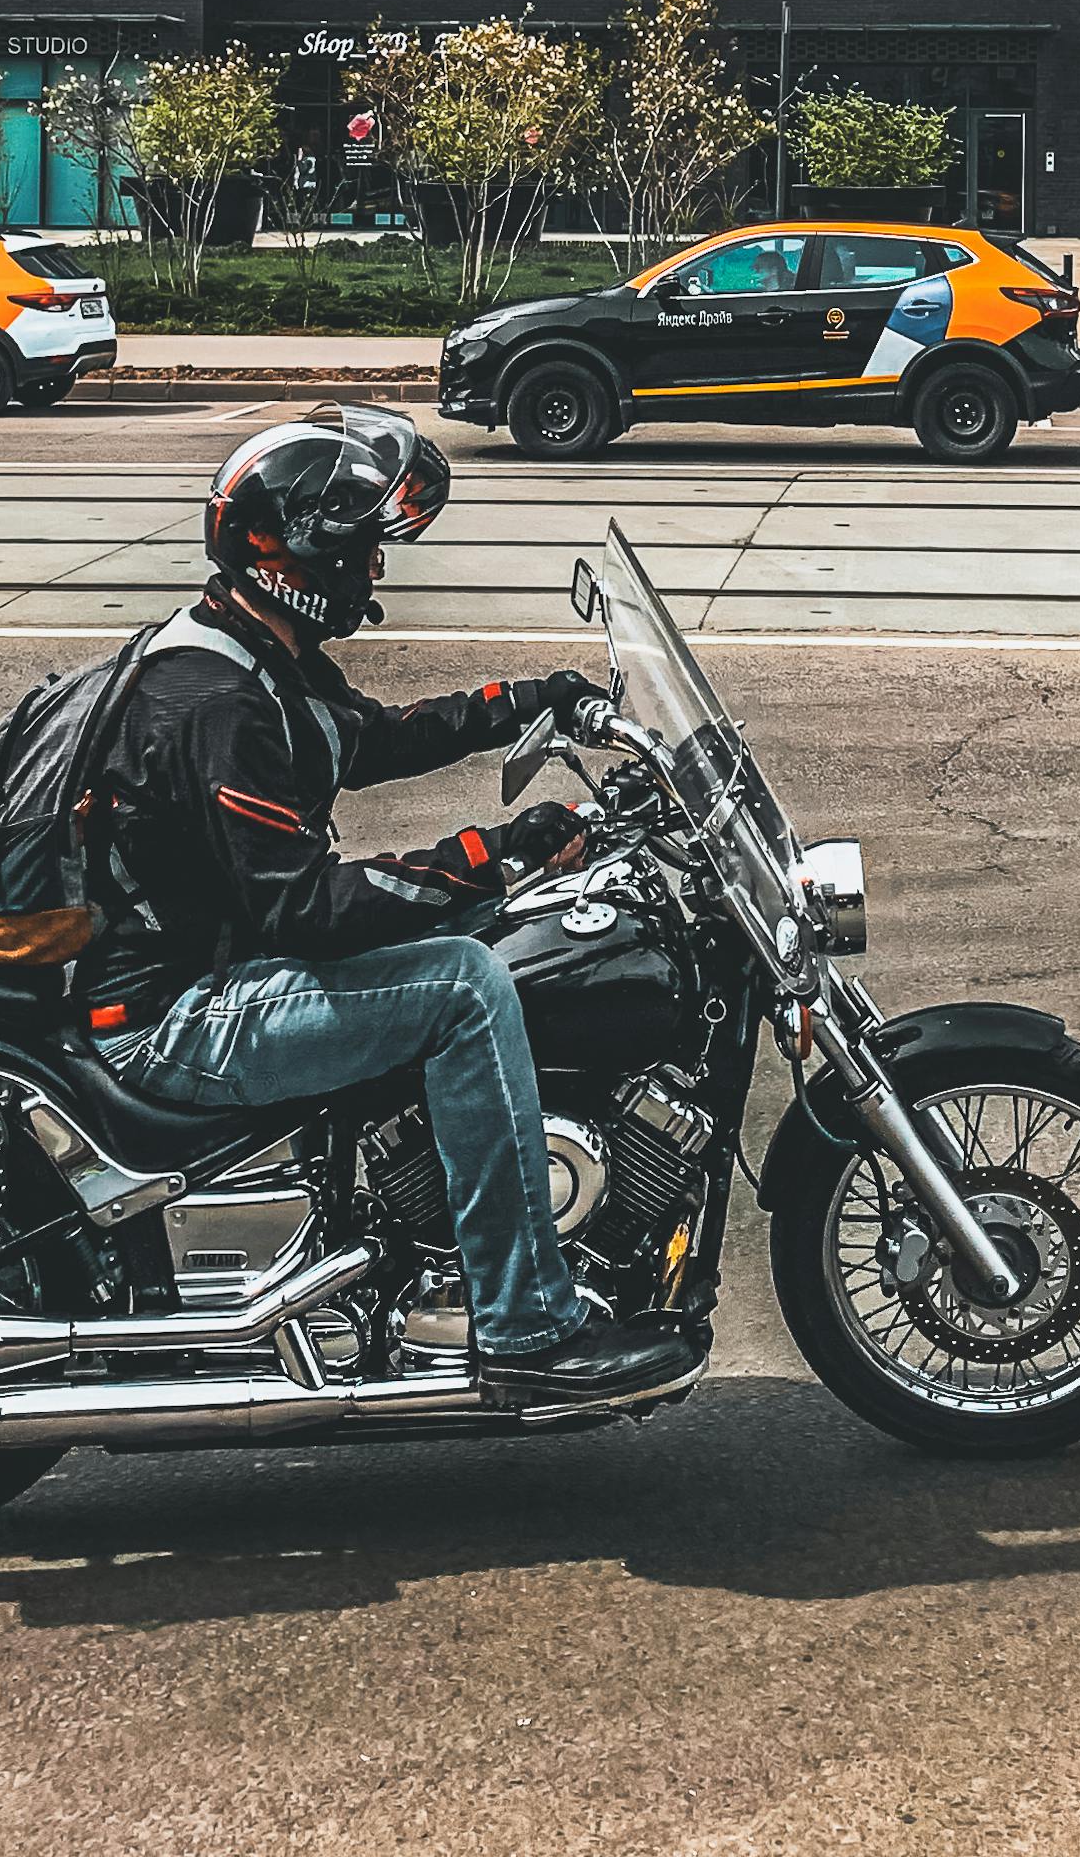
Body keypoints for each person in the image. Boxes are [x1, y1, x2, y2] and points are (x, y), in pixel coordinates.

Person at [86, 406, 699, 1411]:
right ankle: (526, 1324)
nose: (374, 571)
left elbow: (364, 738)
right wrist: (499, 851)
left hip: (208, 971)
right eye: (361, 548)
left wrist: (523, 697)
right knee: (464, 983)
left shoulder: (245, 648)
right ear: (299, 553)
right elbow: (307, 908)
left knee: (470, 933)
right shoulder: (213, 701)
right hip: (175, 1013)